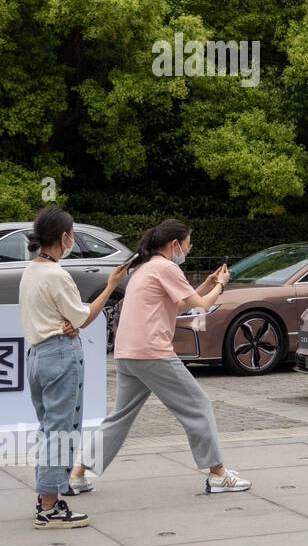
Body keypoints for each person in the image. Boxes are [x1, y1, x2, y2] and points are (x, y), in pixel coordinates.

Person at [68, 219, 251, 494]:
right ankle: (218, 474)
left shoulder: (146, 268)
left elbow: (177, 306)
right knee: (198, 407)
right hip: (152, 352)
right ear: (174, 244)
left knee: (119, 416)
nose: (189, 248)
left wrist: (207, 285)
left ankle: (77, 475)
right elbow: (200, 306)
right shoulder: (167, 267)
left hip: (128, 353)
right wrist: (221, 285)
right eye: (188, 243)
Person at [18, 206, 128, 528]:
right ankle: (50, 506)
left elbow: (67, 317)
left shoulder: (31, 270)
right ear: (64, 237)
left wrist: (70, 322)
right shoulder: (57, 275)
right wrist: (110, 287)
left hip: (36, 355)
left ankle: (46, 495)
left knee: (48, 428)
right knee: (61, 431)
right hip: (60, 355)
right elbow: (83, 317)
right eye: (73, 235)